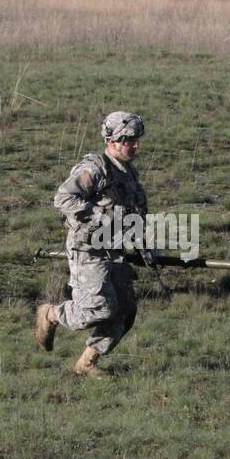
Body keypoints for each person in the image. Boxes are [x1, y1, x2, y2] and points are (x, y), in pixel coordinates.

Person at [35, 111, 151, 377]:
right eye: (129, 140)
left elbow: (136, 214)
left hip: (115, 250)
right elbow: (63, 198)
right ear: (112, 141)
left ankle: (87, 363)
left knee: (124, 312)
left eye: (136, 140)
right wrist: (100, 217)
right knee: (99, 309)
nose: (135, 145)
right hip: (88, 249)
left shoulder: (129, 173)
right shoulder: (95, 169)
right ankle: (51, 313)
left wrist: (144, 244)